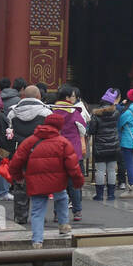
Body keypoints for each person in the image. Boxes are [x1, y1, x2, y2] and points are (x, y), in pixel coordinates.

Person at [8, 112, 85, 248]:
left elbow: (16, 162)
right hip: (57, 182)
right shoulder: (63, 142)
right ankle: (63, 225)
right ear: (60, 127)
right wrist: (78, 182)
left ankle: (37, 240)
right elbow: (73, 166)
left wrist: (18, 177)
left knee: (37, 210)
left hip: (36, 182)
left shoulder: (30, 141)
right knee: (62, 198)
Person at [51, 85, 90, 220]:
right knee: (74, 183)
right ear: (67, 98)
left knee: (58, 184)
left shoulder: (53, 111)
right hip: (73, 151)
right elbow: (83, 130)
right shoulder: (74, 112)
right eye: (73, 96)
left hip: (57, 150)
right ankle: (77, 211)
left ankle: (57, 213)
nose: (74, 98)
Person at [86, 88, 122, 200]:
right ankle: (111, 194)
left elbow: (91, 130)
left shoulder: (96, 114)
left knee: (100, 170)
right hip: (114, 144)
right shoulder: (116, 113)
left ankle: (99, 194)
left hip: (100, 146)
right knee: (111, 170)